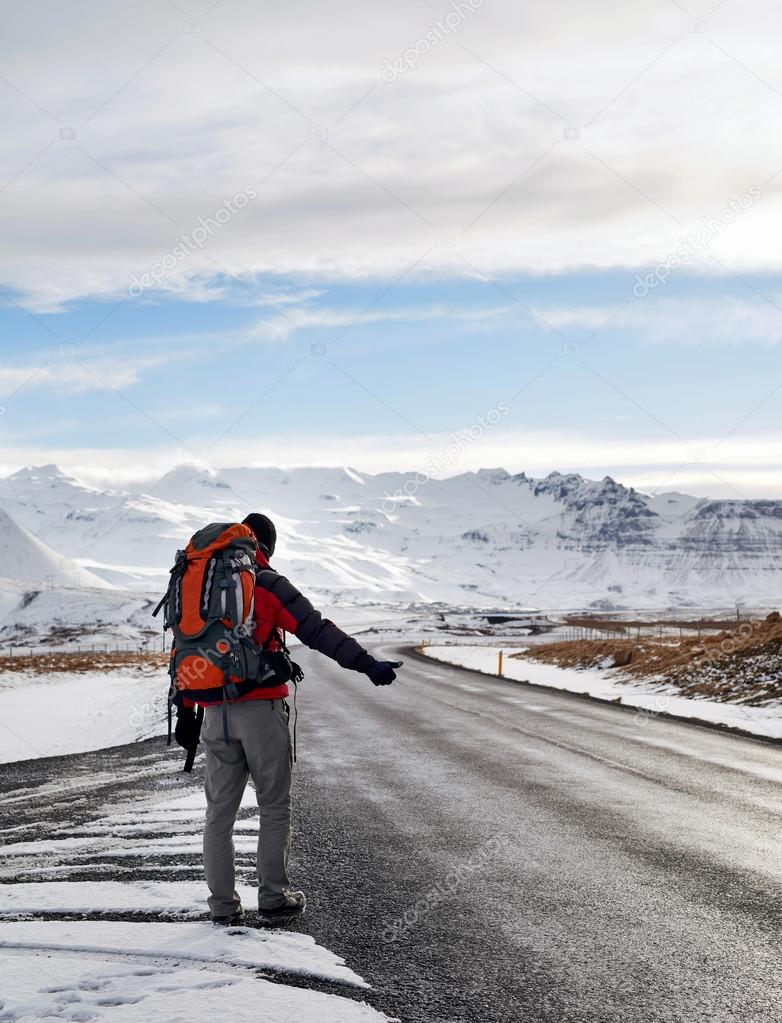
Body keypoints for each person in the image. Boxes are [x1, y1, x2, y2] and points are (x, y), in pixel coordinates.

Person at [175, 512, 402, 927]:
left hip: (213, 713)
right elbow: (316, 629)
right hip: (261, 711)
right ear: (267, 547)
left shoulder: (202, 583)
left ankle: (222, 905)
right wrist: (367, 665)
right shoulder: (266, 584)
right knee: (274, 806)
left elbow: (187, 647)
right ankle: (274, 896)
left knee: (218, 814)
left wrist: (185, 709)